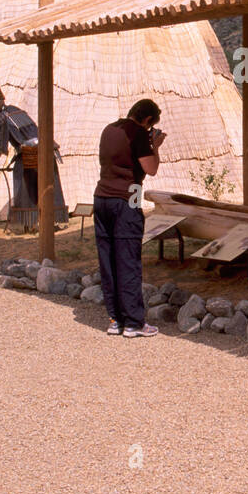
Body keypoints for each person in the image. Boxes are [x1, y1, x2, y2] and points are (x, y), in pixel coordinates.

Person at [94, 99, 165, 338]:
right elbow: (151, 168)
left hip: (102, 197)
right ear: (147, 120)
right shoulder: (138, 135)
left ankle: (115, 318)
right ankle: (134, 323)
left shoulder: (108, 129)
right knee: (128, 260)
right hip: (127, 199)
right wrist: (154, 145)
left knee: (108, 260)